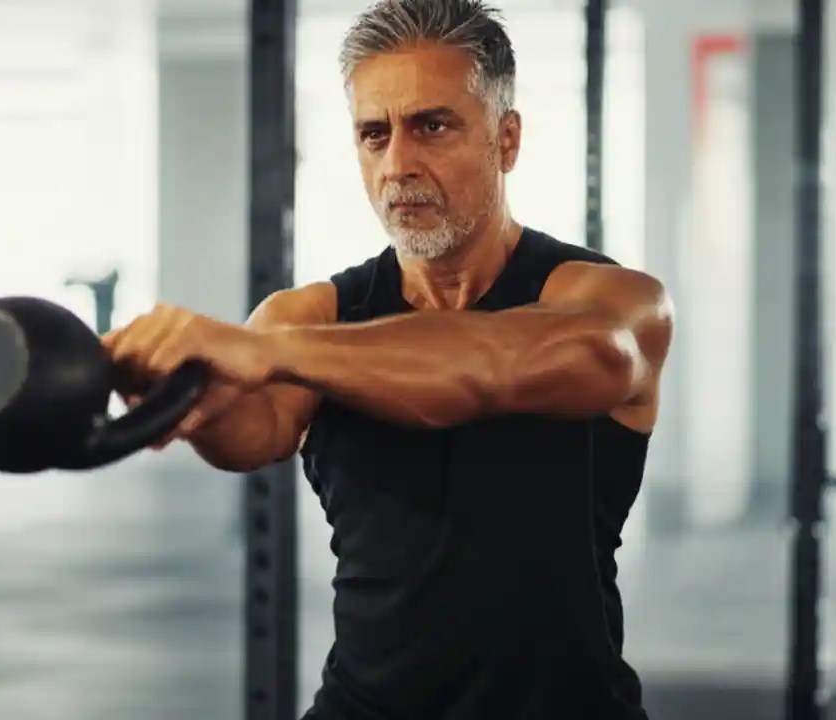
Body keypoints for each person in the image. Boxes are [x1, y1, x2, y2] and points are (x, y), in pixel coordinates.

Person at [102, 1, 672, 717]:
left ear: (507, 139)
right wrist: (181, 397)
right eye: (375, 134)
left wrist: (264, 352)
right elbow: (251, 433)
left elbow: (491, 361)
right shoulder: (306, 316)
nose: (398, 164)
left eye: (431, 126)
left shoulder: (616, 302)